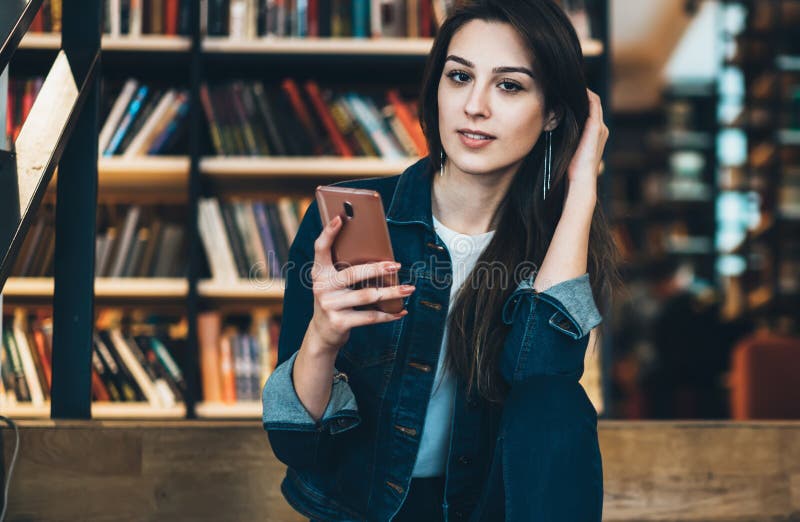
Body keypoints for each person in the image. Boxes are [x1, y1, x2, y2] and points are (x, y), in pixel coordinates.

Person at [262, 1, 623, 520]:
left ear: (552, 114)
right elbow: (295, 446)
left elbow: (544, 379)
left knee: (558, 404)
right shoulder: (347, 221)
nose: (475, 106)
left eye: (509, 85)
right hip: (367, 510)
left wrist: (582, 185)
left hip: (483, 509)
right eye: (459, 76)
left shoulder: (557, 243)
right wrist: (322, 338)